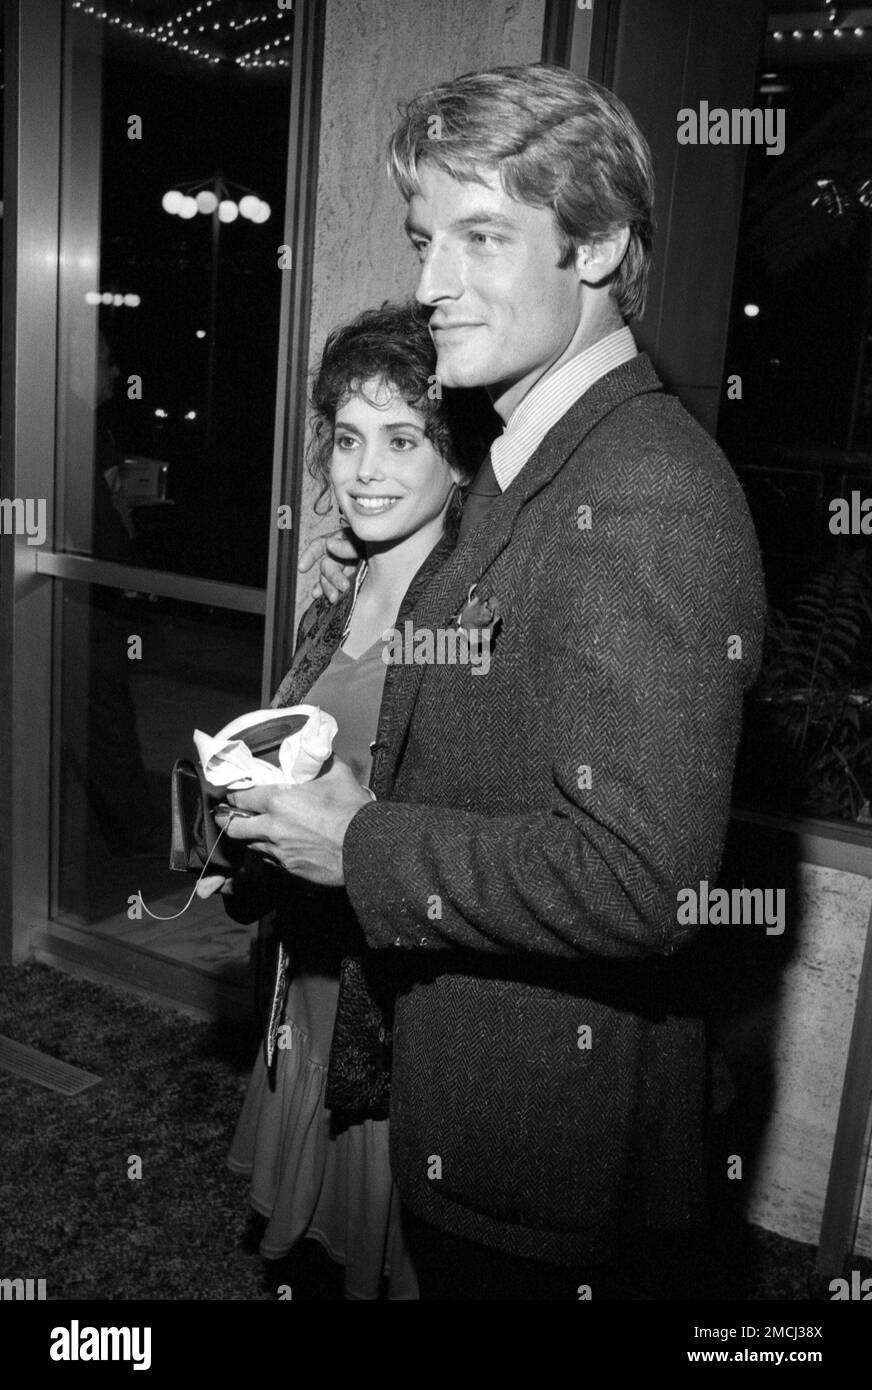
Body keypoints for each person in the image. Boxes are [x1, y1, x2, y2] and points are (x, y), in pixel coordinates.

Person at [223, 64, 767, 1299]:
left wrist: (359, 842)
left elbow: (643, 881)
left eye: (481, 237)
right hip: (463, 1093)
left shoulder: (646, 496)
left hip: (542, 1153)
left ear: (599, 247)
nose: (428, 286)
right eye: (425, 239)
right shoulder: (523, 460)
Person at [202, 303, 494, 1299]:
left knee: (389, 1250)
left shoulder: (472, 622)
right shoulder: (339, 590)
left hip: (399, 998)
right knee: (316, 1253)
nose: (363, 468)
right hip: (309, 969)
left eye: (401, 438)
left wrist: (359, 821)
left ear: (455, 457)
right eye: (348, 438)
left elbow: (481, 837)